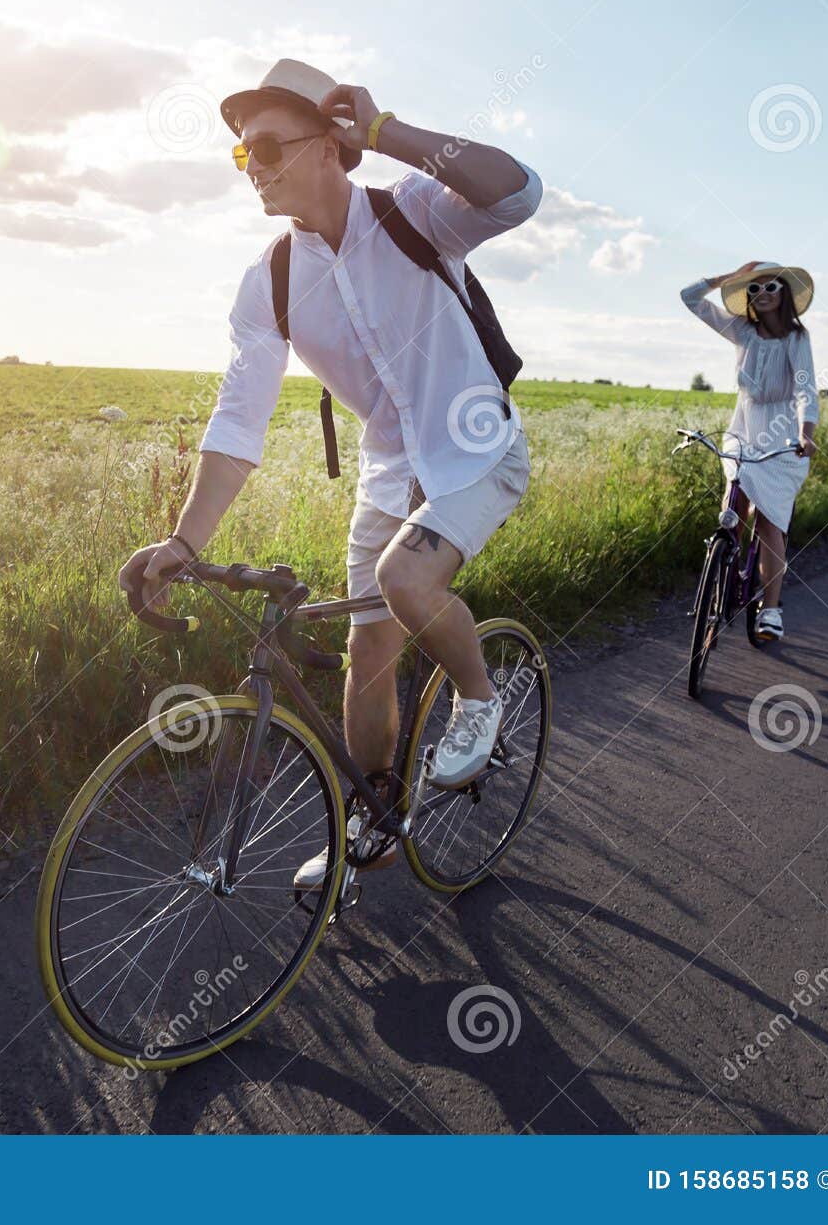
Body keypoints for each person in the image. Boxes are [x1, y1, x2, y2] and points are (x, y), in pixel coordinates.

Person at [117, 59, 541, 890]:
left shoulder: (415, 213)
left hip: (477, 449)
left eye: (269, 146)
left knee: (404, 579)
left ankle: (479, 700)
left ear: (327, 146)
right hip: (389, 473)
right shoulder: (270, 281)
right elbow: (239, 421)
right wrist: (182, 538)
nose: (255, 168)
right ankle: (373, 819)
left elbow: (517, 192)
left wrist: (388, 134)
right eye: (244, 156)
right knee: (367, 652)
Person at [680, 261, 819, 641]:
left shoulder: (796, 338)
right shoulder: (741, 332)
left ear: (785, 293)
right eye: (754, 289)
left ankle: (770, 610)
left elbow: (806, 390)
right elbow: (689, 298)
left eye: (771, 287)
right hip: (743, 428)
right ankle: (725, 566)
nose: (762, 294)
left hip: (783, 435)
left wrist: (807, 434)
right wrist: (727, 277)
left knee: (769, 521)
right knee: (732, 509)